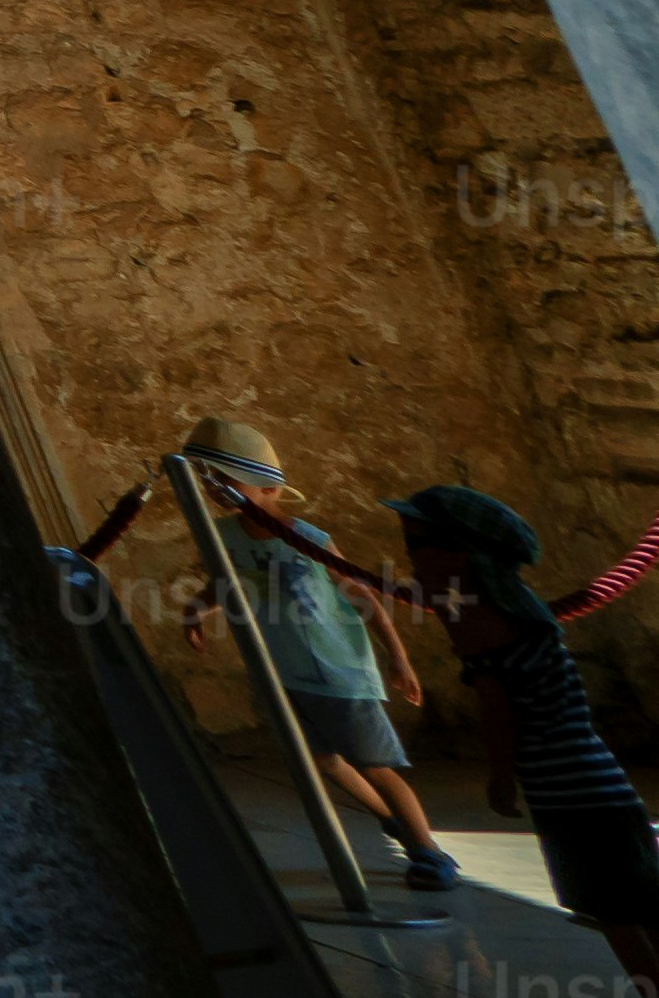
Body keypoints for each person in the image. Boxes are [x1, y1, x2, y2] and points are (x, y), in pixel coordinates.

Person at [194, 419, 470, 894]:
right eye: (212, 480)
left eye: (228, 480)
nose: (216, 489)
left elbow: (365, 598)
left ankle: (429, 850)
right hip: (285, 671)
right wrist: (197, 610)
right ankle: (395, 823)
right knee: (323, 760)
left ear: (267, 489)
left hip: (339, 672)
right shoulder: (223, 535)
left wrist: (398, 658)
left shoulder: (309, 539)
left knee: (375, 764)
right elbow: (227, 580)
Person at [401, 482, 659, 981]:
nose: (408, 558)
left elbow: (499, 711)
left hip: (573, 800)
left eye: (416, 545)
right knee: (641, 904)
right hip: (603, 791)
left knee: (615, 914)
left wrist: (501, 778)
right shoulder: (513, 606)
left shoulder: (478, 624)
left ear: (458, 555)